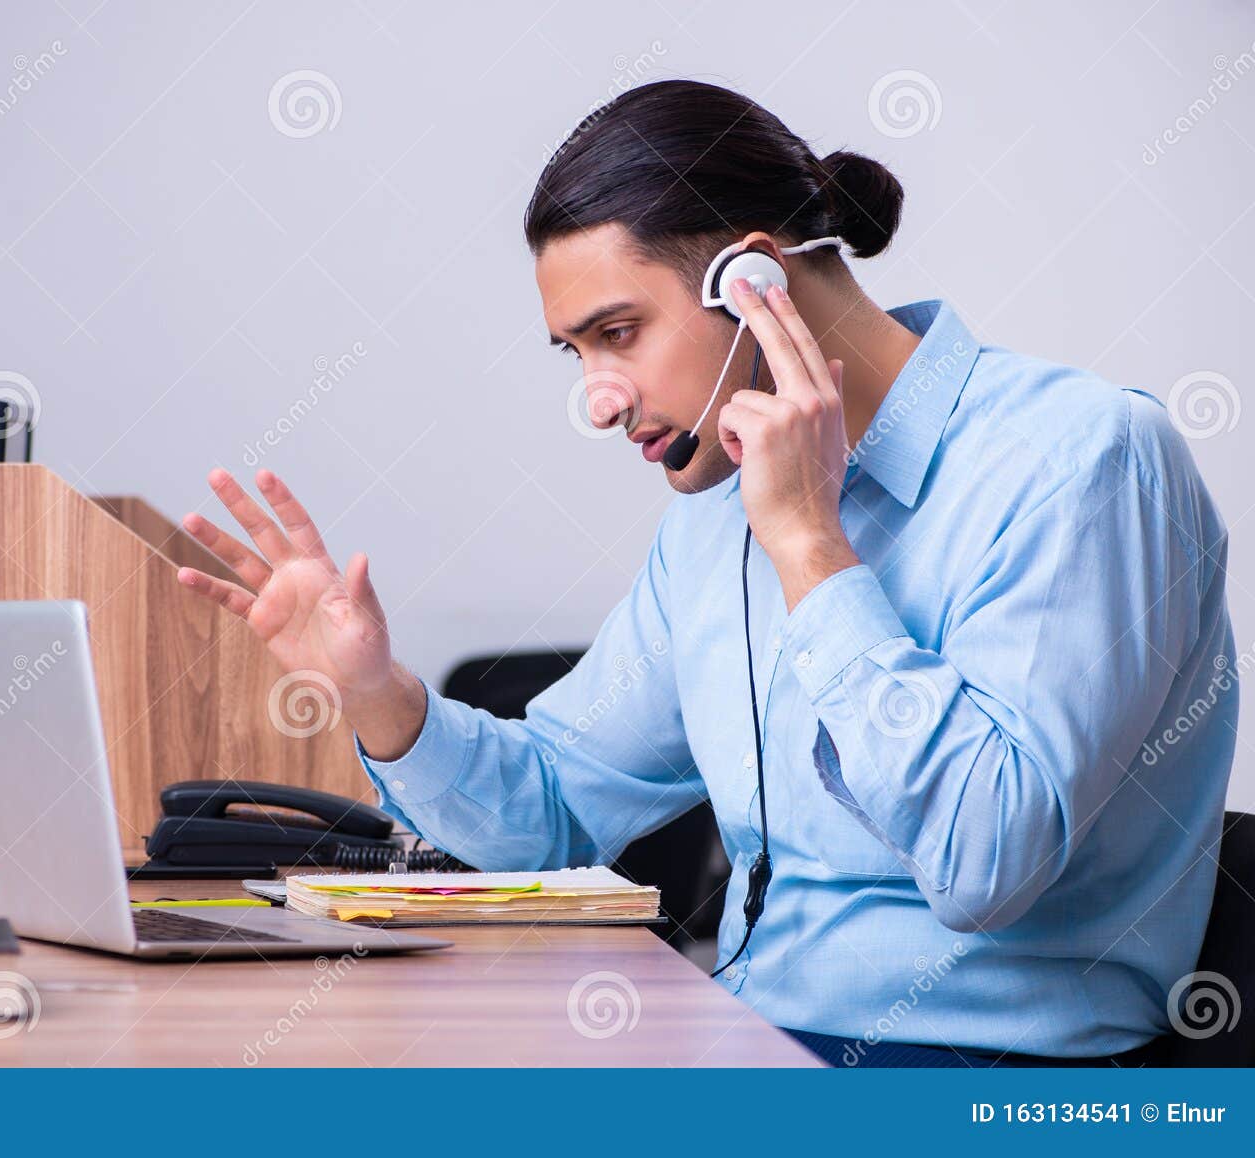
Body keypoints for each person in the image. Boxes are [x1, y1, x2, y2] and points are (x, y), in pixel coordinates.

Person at [175, 79, 1235, 1067]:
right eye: (577, 353)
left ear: (754, 281)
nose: (599, 400)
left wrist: (812, 550)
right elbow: (557, 810)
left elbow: (985, 862)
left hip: (992, 1078)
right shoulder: (715, 516)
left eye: (618, 333)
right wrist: (378, 692)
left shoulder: (1082, 462)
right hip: (742, 1041)